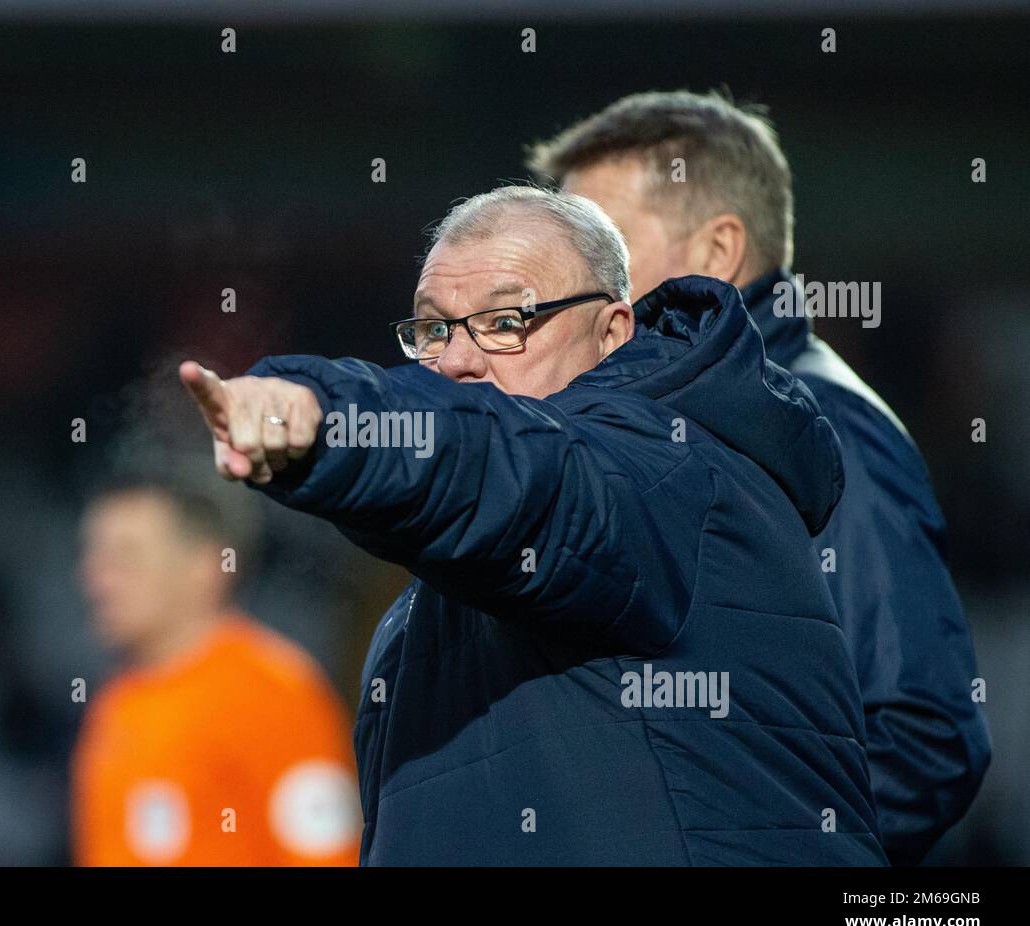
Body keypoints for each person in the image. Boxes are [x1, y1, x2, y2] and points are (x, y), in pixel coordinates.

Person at [180, 185, 886, 865]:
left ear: (612, 333)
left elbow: (512, 469)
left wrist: (329, 418)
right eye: (431, 329)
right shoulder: (424, 611)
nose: (455, 360)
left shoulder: (670, 474)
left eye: (505, 322)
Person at [529, 90, 990, 865]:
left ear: (719, 252)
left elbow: (924, 731)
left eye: (600, 249)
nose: (567, 282)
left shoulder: (823, 428)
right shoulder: (673, 423)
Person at [71, 474, 360, 866]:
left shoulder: (271, 695)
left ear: (205, 566)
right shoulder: (116, 700)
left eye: (126, 558)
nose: (96, 580)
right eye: (95, 557)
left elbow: (328, 856)